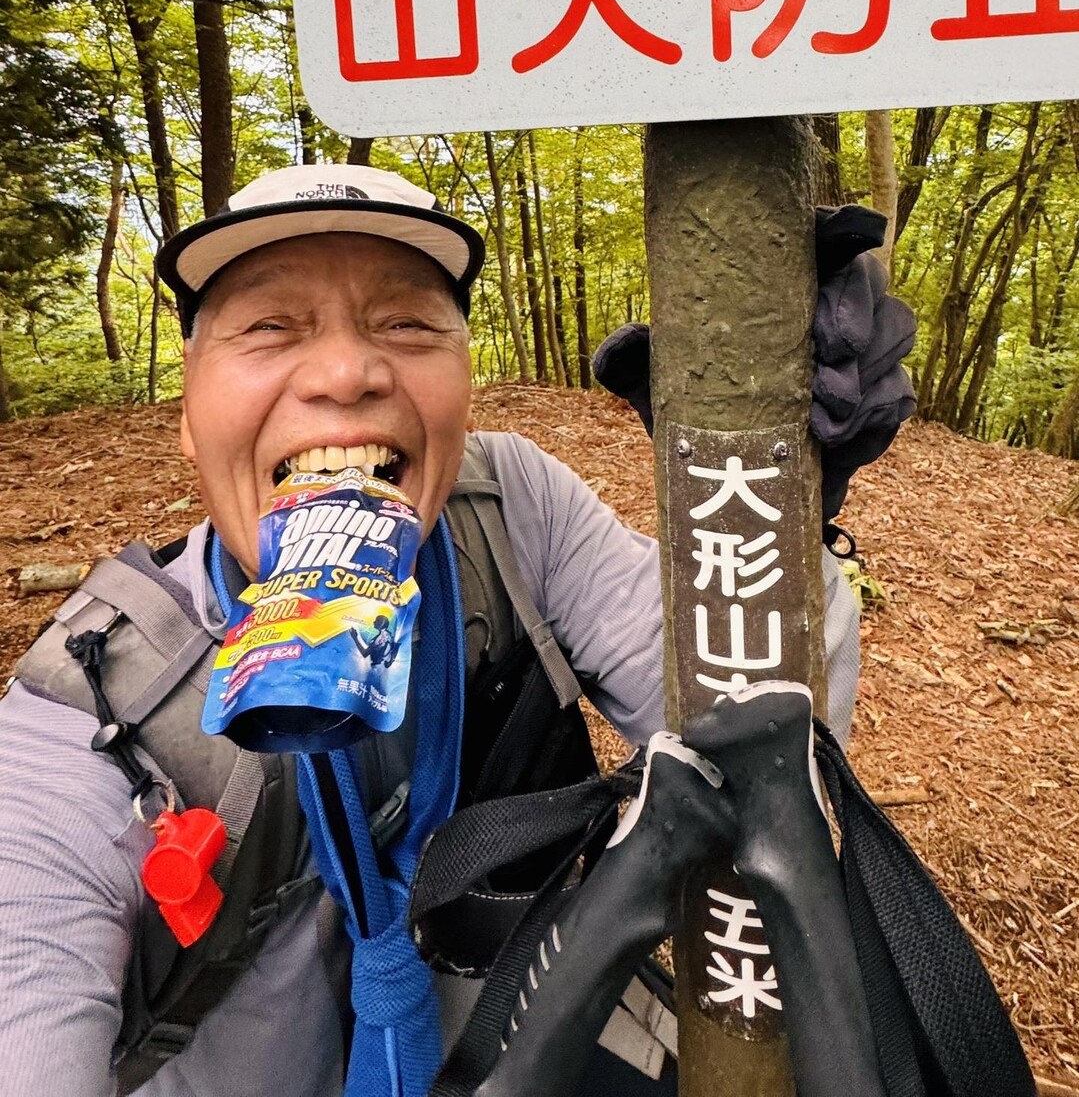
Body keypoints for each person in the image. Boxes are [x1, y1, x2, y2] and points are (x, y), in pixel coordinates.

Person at [0, 164, 914, 1097]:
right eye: (269, 327)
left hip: (526, 1044)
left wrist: (765, 524)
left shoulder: (508, 509)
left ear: (464, 381)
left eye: (406, 323)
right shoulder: (84, 735)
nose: (348, 373)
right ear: (189, 417)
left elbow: (752, 735)